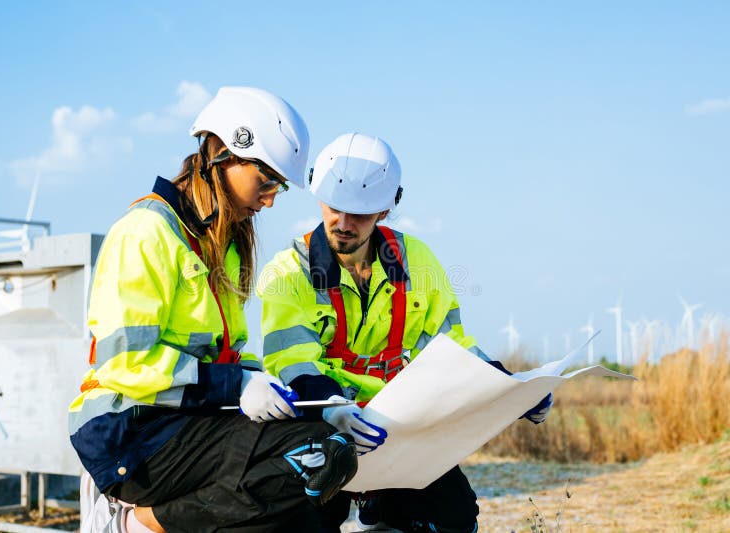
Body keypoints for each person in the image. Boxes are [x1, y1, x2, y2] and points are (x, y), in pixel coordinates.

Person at [68, 87, 358, 533]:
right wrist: (237, 384)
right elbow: (129, 362)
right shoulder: (145, 233)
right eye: (266, 182)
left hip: (188, 418)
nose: (270, 199)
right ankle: (137, 526)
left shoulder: (223, 248)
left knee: (321, 496)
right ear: (222, 152)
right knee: (313, 455)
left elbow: (230, 352)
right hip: (131, 431)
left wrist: (311, 403)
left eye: (278, 187)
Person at [257, 133, 553, 533]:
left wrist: (512, 389)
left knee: (456, 518)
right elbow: (291, 362)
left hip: (398, 432)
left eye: (359, 214)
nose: (342, 225)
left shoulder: (418, 261)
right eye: (334, 207)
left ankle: (381, 513)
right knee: (302, 522)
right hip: (324, 425)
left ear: (385, 209)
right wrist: (333, 409)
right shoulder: (288, 271)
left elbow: (454, 347)